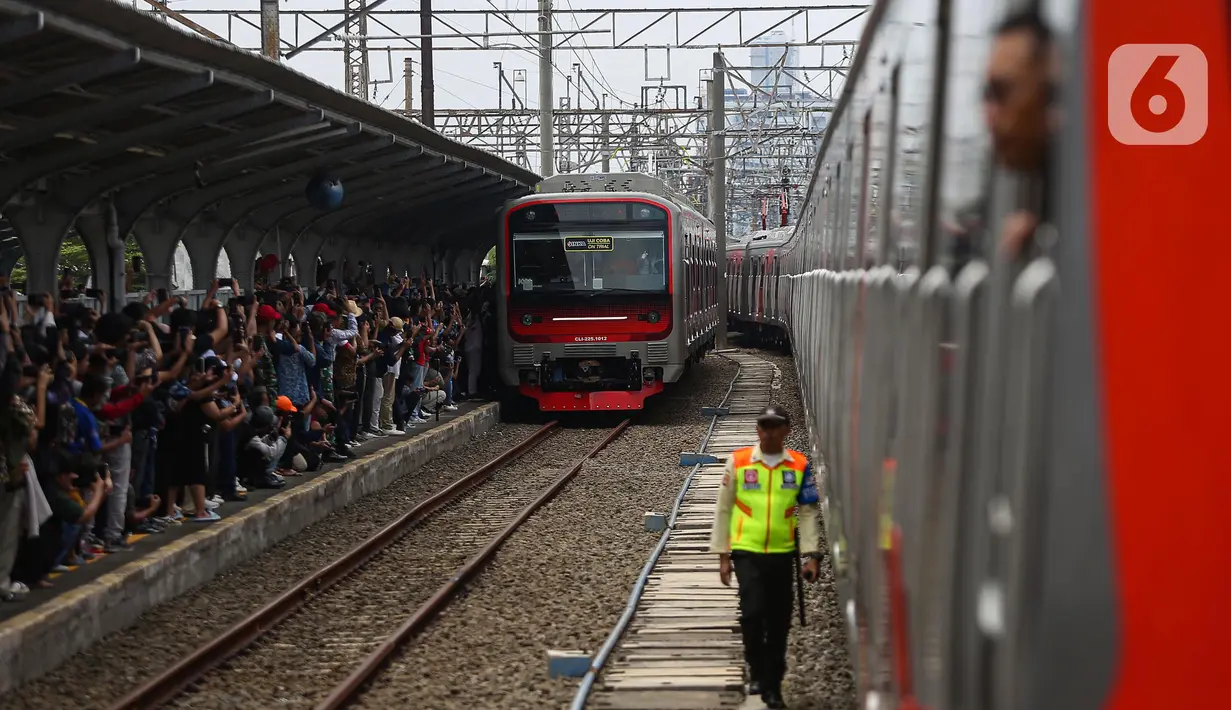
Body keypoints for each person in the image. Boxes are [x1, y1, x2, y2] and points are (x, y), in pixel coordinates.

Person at [709, 404, 821, 709]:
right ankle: (756, 670)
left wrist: (811, 554)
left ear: (786, 430)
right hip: (747, 551)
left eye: (775, 426)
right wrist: (722, 554)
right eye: (764, 426)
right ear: (757, 429)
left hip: (783, 553)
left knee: (780, 621)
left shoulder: (798, 465)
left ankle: (772, 684)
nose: (769, 431)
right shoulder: (739, 462)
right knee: (752, 614)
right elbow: (723, 508)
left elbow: (808, 513)